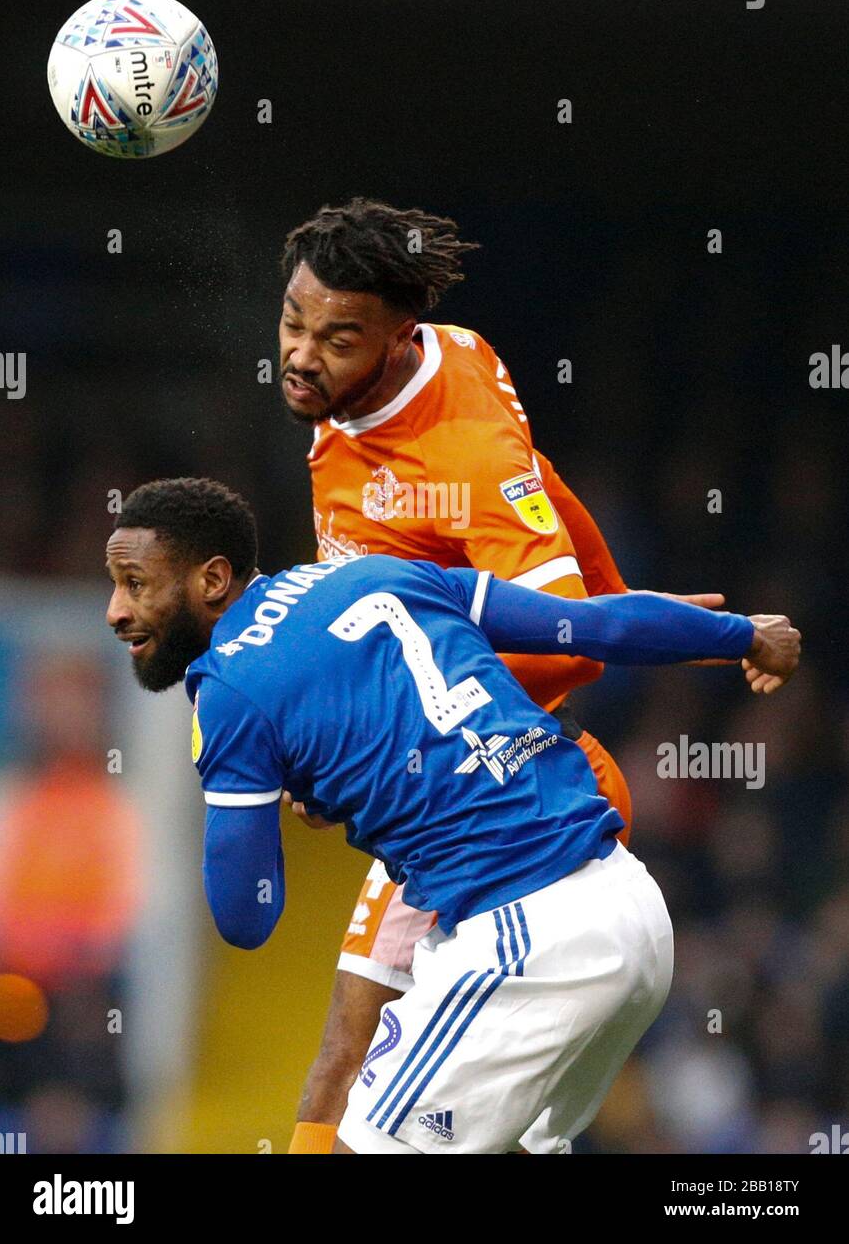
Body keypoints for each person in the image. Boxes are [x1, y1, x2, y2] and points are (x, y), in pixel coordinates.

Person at [105, 476, 800, 1154]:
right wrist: (742, 634)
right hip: (633, 910)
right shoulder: (379, 574)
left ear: (212, 579)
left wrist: (256, 786)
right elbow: (592, 624)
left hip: (527, 937)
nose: (115, 609)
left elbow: (245, 918)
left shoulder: (228, 688)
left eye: (135, 583)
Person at [276, 197, 769, 1152]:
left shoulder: (460, 454)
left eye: (337, 339)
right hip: (461, 802)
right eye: (295, 322)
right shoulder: (424, 362)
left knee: (354, 1058)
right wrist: (638, 596)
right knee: (359, 1058)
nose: (302, 354)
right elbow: (553, 485)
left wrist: (382, 744)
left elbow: (567, 641)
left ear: (395, 337)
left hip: (482, 794)